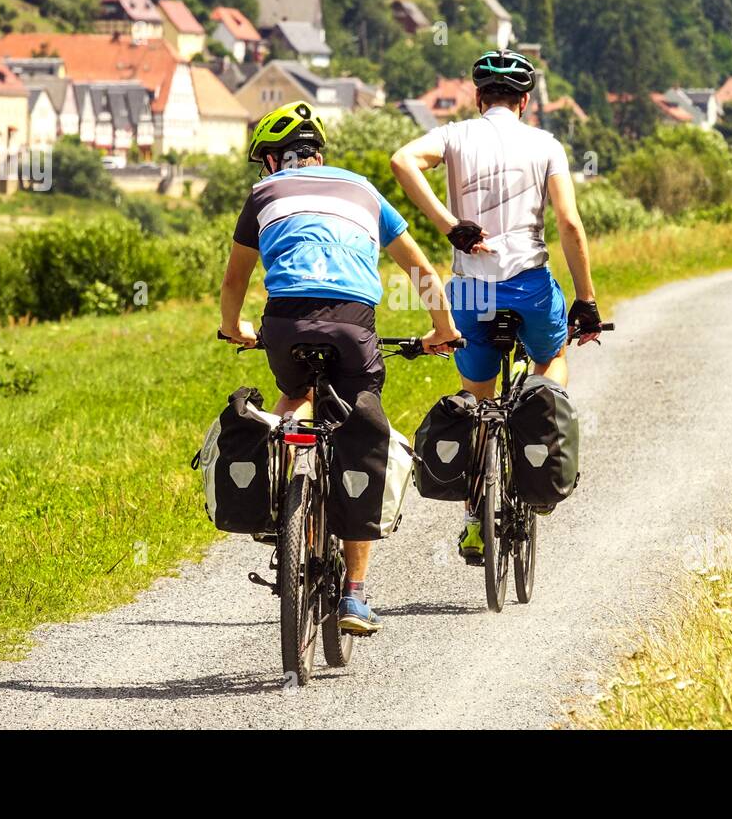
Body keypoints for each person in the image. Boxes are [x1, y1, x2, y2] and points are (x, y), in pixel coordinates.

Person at [218, 100, 461, 635]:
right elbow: (420, 270)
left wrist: (234, 328)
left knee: (293, 396)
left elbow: (235, 279)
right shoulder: (365, 192)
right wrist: (442, 331)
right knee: (359, 430)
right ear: (320, 153)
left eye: (266, 162)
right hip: (353, 326)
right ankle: (354, 595)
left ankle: (284, 497)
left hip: (285, 322)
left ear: (276, 160)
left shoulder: (263, 195)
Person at [389, 49, 602, 561]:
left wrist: (450, 225)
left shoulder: (455, 135)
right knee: (551, 360)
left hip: (472, 289)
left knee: (477, 403)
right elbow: (570, 224)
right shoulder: (545, 143)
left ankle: (472, 518)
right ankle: (540, 449)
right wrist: (586, 301)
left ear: (477, 96)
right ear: (525, 101)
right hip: (529, 285)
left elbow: (401, 161)